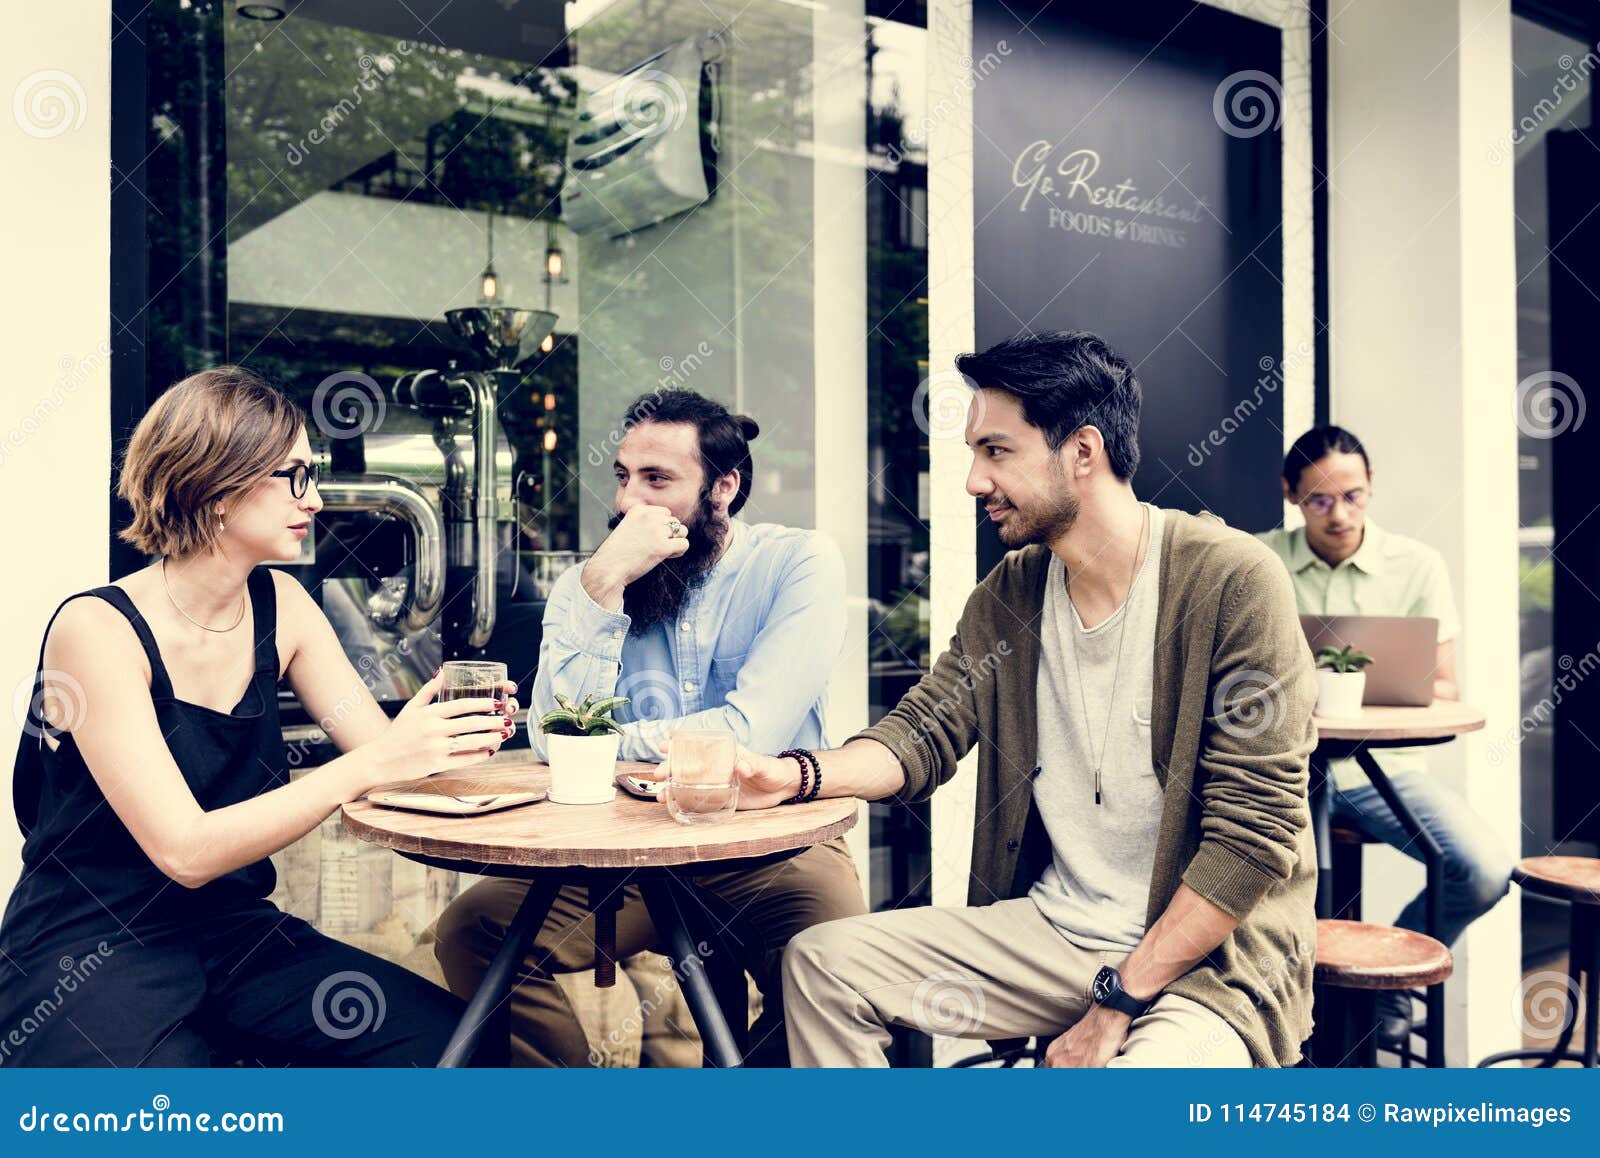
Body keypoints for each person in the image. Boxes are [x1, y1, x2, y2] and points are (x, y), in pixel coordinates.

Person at [728, 331, 1319, 1067]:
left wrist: (1117, 1005)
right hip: (1058, 932)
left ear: (1083, 450)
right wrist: (794, 774)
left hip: (1209, 962)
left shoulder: (1231, 581)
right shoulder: (1011, 591)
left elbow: (1250, 840)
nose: (974, 480)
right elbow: (924, 731)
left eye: (996, 452)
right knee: (821, 964)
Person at [0, 367, 515, 1067]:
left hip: (233, 933)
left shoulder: (284, 606)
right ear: (215, 484)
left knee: (458, 1048)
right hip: (94, 942)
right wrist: (372, 764)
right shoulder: (96, 630)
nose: (319, 498)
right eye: (295, 476)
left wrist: (442, 738)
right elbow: (185, 852)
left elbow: (380, 756)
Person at [433, 389, 865, 1067]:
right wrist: (602, 583)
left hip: (770, 844)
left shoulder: (798, 564)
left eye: (658, 480)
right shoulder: (595, 582)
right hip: (625, 854)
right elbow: (552, 740)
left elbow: (744, 736)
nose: (631, 502)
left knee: (836, 975)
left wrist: (603, 752)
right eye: (624, 477)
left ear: (723, 488)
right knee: (471, 927)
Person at [1258, 425, 1513, 1047]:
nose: (1339, 514)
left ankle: (1387, 987)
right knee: (1281, 890)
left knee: (1484, 868)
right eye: (1320, 500)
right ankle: (1295, 1034)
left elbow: (1447, 687)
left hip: (1382, 775)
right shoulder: (1258, 560)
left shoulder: (1417, 565)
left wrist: (1359, 689)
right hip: (1286, 776)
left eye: (1353, 496)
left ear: (1371, 488)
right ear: (1291, 494)